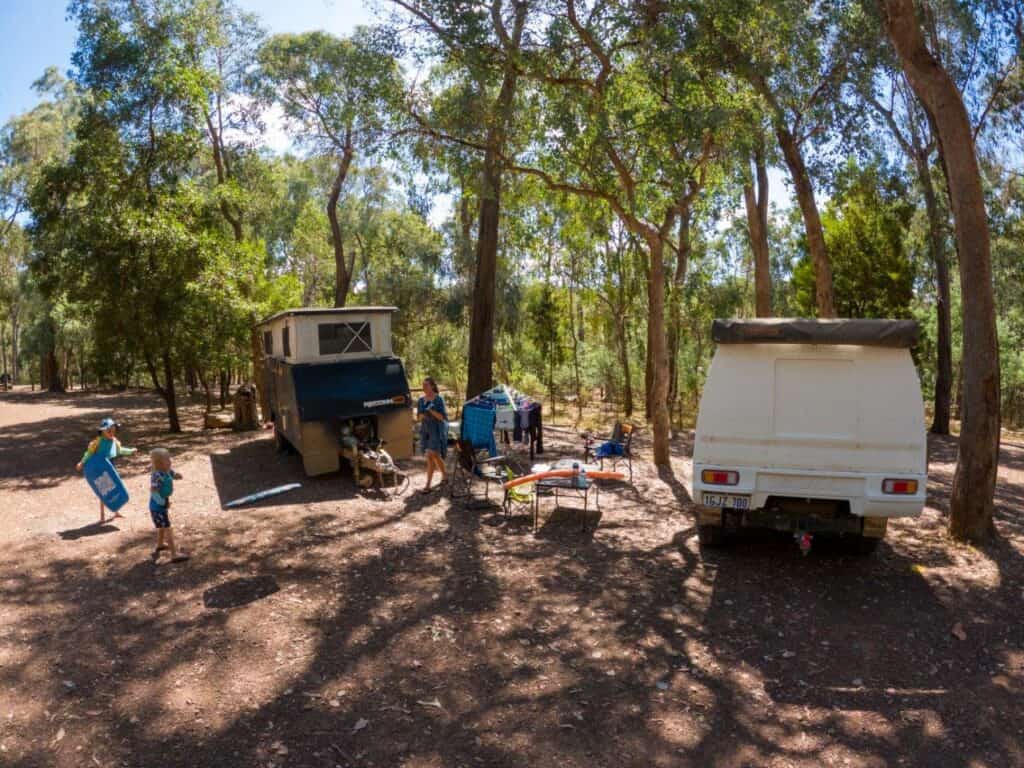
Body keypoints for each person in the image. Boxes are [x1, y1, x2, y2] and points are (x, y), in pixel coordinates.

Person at [76, 417, 137, 523]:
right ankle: (102, 516)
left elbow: (120, 450)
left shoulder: (114, 441)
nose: (112, 432)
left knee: (114, 488)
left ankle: (116, 511)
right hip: (101, 469)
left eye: (113, 430)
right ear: (103, 431)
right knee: (104, 491)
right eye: (109, 430)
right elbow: (89, 453)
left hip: (110, 466)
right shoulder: (97, 442)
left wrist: (131, 451)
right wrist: (82, 462)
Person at [148, 448, 189, 563]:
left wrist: (177, 475)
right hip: (157, 506)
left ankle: (160, 544)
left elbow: (172, 473)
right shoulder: (157, 476)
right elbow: (153, 491)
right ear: (159, 463)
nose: (170, 462)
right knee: (168, 528)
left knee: (162, 526)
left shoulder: (166, 470)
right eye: (167, 460)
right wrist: (162, 503)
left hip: (161, 504)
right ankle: (174, 554)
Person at [417, 377, 449, 493]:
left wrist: (431, 411)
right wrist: (423, 414)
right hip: (425, 431)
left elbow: (442, 417)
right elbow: (418, 418)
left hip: (436, 430)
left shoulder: (438, 399)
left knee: (430, 455)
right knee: (435, 455)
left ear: (432, 386)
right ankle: (445, 476)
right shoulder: (421, 400)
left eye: (426, 385)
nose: (424, 387)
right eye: (423, 385)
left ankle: (428, 485)